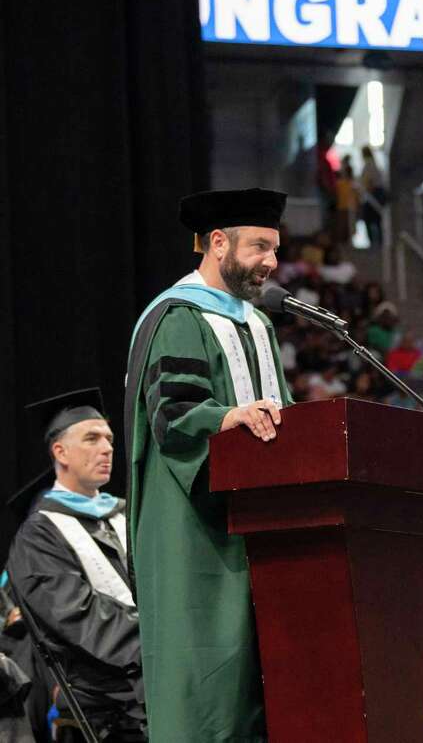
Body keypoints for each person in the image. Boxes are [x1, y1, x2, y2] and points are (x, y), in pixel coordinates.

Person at [124, 188, 291, 741]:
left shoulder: (259, 324)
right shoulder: (177, 317)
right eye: (260, 246)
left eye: (275, 248)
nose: (272, 261)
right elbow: (174, 416)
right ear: (218, 243)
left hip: (256, 529)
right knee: (203, 695)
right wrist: (229, 417)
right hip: (194, 533)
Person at [6, 390, 144, 741]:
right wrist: (163, 636)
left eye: (110, 439)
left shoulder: (127, 514)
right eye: (92, 438)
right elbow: (77, 616)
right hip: (105, 712)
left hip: (155, 688)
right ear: (60, 451)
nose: (107, 448)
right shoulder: (38, 536)